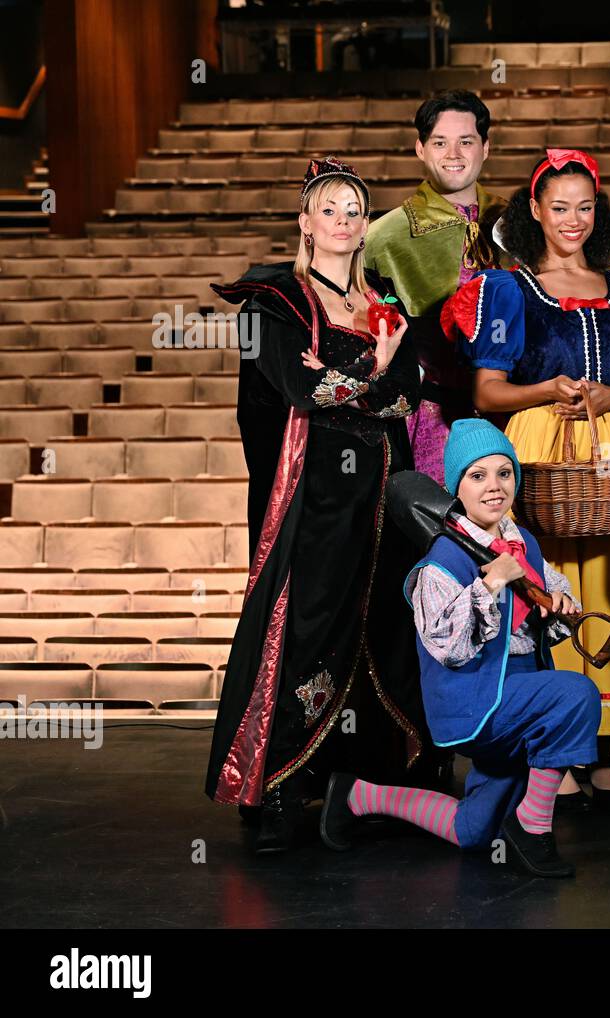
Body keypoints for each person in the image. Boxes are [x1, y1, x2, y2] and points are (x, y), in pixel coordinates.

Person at [205, 157, 429, 853]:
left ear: (366, 227)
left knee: (385, 622)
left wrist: (356, 378)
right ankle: (275, 782)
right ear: (304, 222)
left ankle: (363, 781)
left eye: (354, 210)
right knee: (308, 626)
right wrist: (374, 371)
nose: (342, 221)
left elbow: (409, 395)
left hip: (386, 488)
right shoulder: (273, 302)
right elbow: (301, 393)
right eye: (328, 209)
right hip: (315, 496)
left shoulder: (386, 298)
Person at [441, 149, 610, 809]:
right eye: (559, 206)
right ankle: (555, 748)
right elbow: (486, 392)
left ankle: (602, 749)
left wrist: (607, 399)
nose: (573, 219)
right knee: (543, 600)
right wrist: (547, 388)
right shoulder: (509, 291)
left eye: (585, 206)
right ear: (535, 212)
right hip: (538, 450)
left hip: (609, 454)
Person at [319, 420, 601, 877]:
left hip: (518, 707)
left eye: (504, 473)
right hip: (474, 706)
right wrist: (490, 582)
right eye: (478, 476)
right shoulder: (443, 560)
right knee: (576, 695)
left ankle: (356, 796)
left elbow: (546, 605)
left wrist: (563, 605)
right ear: (456, 488)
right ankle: (532, 827)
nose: (494, 487)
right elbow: (447, 647)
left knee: (472, 831)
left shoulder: (522, 543)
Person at [364, 90, 510, 484]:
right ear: (420, 149)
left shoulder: (519, 224)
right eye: (440, 142)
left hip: (516, 412)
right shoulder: (383, 237)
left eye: (467, 141)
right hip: (430, 419)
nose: (454, 153)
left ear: (486, 148)